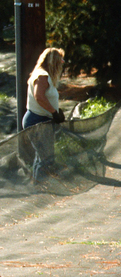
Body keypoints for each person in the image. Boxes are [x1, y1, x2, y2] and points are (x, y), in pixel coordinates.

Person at [22, 47, 65, 181]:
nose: (63, 62)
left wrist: (56, 110)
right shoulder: (42, 76)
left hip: (41, 119)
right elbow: (39, 96)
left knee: (42, 156)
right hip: (37, 120)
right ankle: (41, 188)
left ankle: (39, 184)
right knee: (45, 157)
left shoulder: (43, 74)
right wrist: (54, 112)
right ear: (53, 62)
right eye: (60, 59)